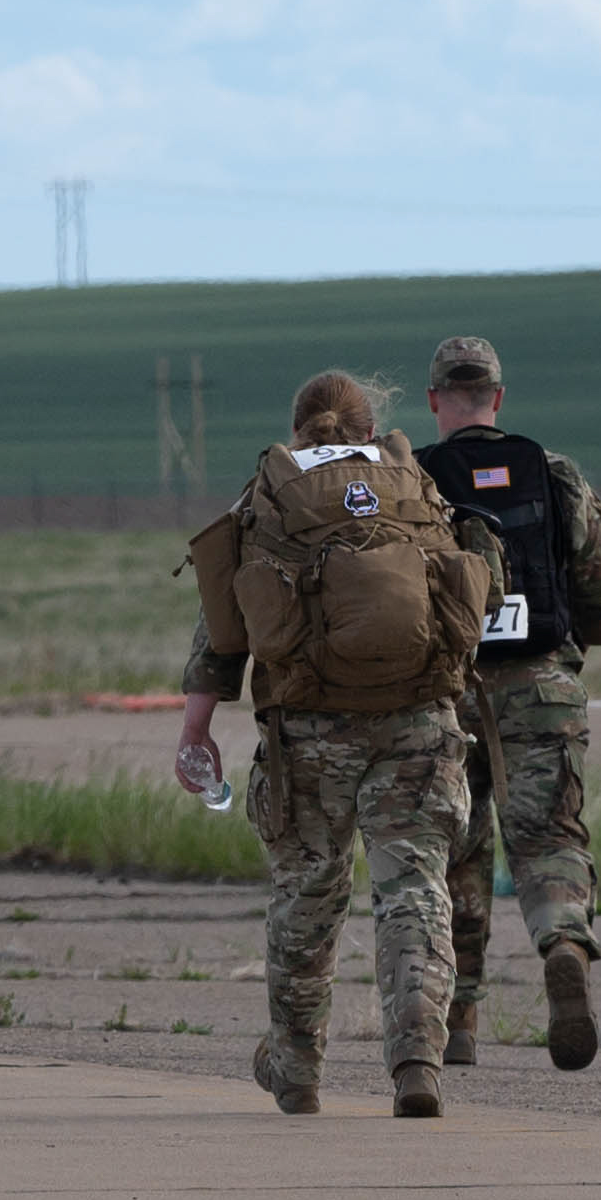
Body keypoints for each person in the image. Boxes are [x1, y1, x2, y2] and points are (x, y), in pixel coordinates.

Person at [177, 370, 503, 1120]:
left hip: (309, 731)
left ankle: (295, 1068)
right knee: (415, 889)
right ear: (367, 423)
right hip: (419, 719)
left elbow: (221, 627)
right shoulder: (411, 484)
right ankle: (417, 1056)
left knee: (308, 893)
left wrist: (194, 728)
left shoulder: (271, 493)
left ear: (298, 427)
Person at [412, 336, 601, 1072]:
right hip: (541, 688)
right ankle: (562, 944)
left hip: (448, 694)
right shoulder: (551, 471)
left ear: (435, 398)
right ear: (497, 397)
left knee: (453, 854)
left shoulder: (416, 481)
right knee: (548, 839)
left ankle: (459, 1018)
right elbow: (599, 595)